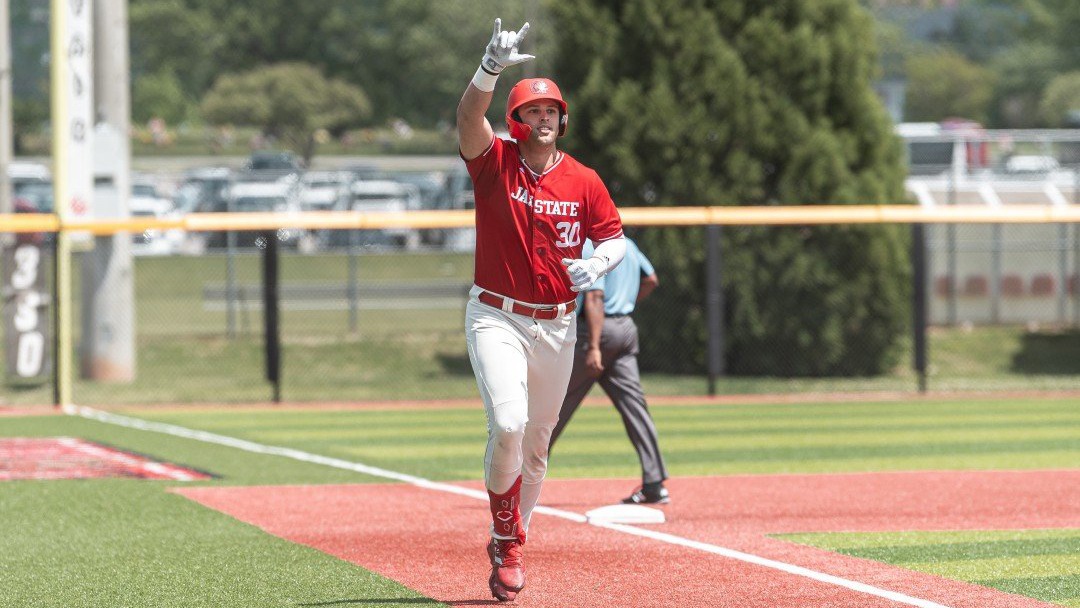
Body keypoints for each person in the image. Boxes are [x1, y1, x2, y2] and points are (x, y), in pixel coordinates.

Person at [457, 17, 626, 603]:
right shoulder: (494, 162)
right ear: (517, 121)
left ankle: (509, 534)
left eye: (552, 110)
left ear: (563, 119)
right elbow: (465, 120)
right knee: (507, 423)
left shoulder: (584, 179)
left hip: (557, 324)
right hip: (497, 314)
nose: (544, 117)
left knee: (537, 443)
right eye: (533, 110)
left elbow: (614, 237)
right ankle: (509, 538)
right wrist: (491, 69)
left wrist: (598, 265)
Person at [549, 237, 670, 505]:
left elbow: (594, 297)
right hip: (624, 328)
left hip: (595, 332)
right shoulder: (628, 244)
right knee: (635, 407)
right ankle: (654, 483)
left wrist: (593, 346)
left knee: (553, 404)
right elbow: (651, 280)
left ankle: (522, 477)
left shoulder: (593, 248)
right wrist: (625, 305)